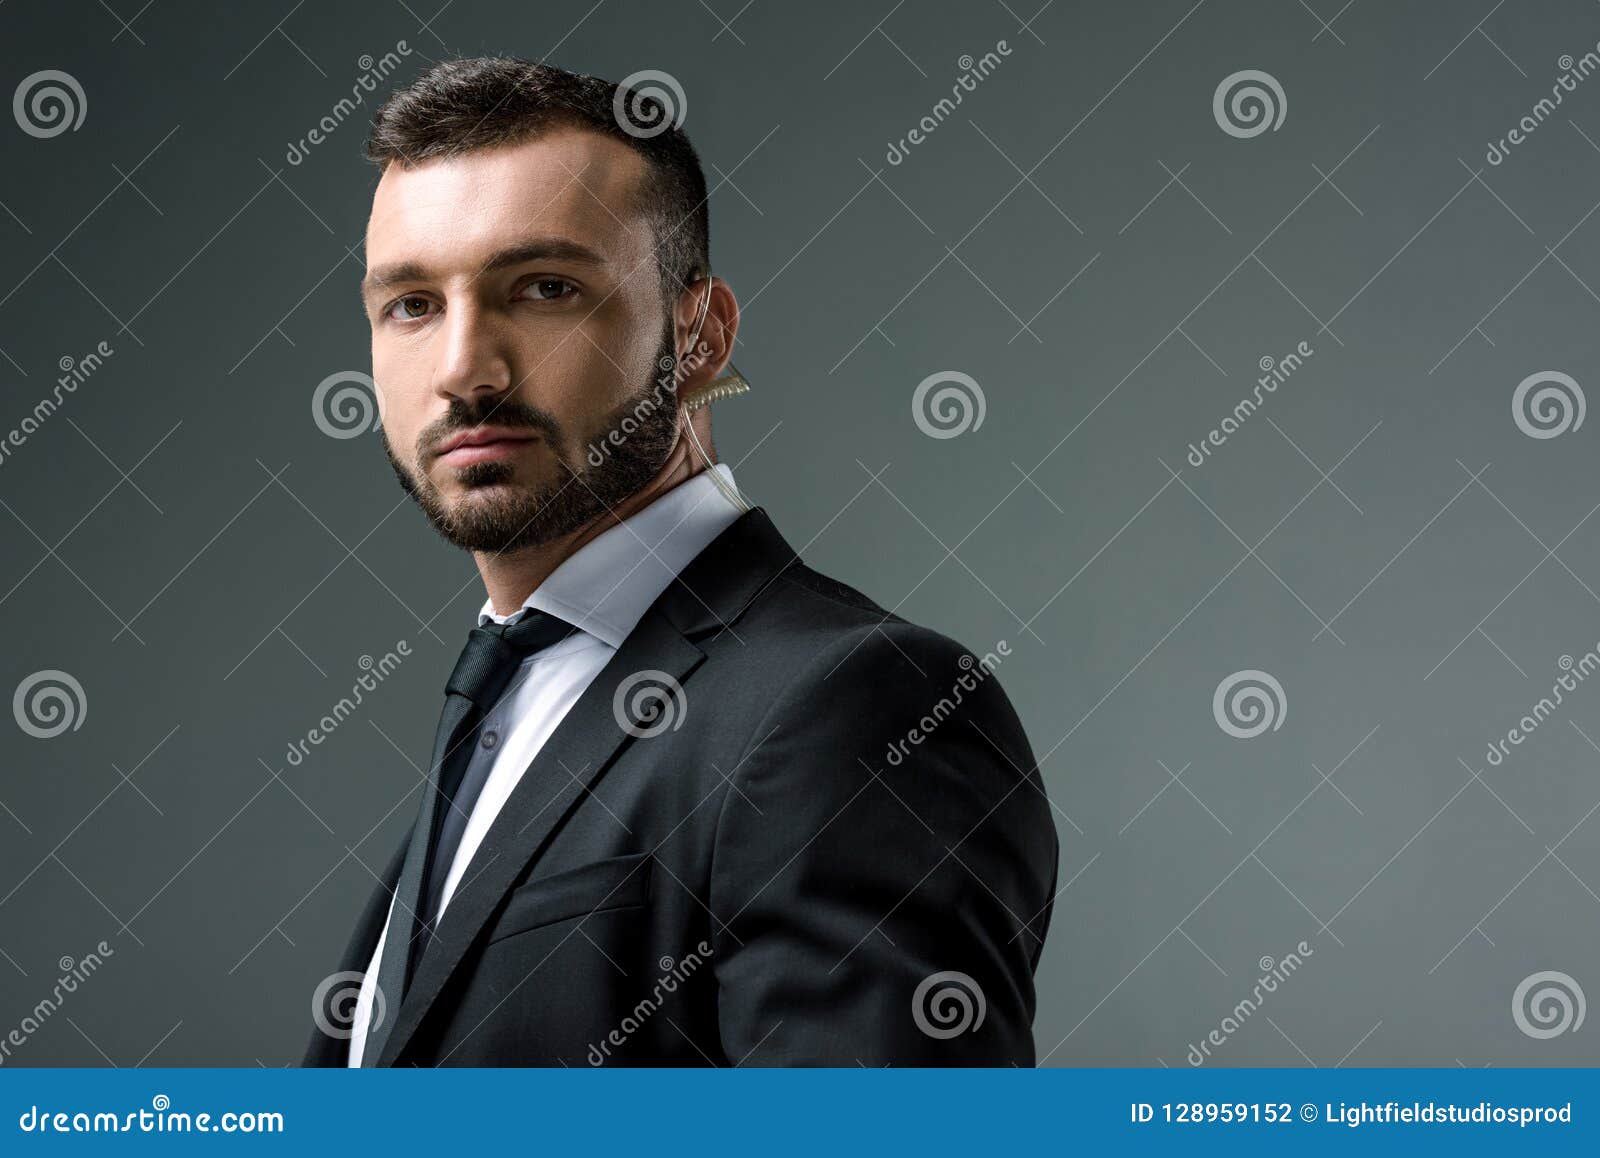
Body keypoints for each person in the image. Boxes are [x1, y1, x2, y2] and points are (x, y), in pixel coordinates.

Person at [301, 56, 1059, 1068]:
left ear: (700, 335)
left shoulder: (856, 707)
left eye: (545, 289)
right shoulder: (507, 697)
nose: (463, 369)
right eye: (411, 304)